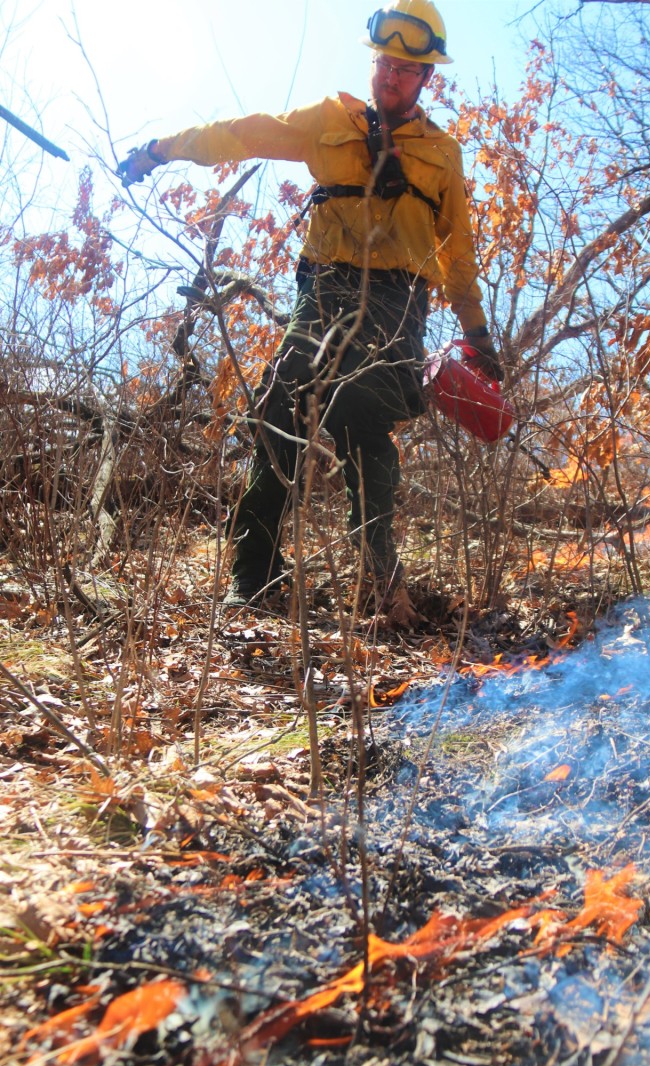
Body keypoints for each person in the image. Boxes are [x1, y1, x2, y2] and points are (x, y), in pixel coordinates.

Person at [118, 0, 502, 626]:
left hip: (397, 303)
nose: (390, 76)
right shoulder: (330, 119)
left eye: (407, 68)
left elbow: (457, 253)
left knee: (362, 420)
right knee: (276, 413)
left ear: (427, 77)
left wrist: (477, 334)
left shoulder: (443, 154)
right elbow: (241, 132)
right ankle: (254, 585)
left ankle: (383, 587)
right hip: (322, 292)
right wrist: (160, 150)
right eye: (384, 62)